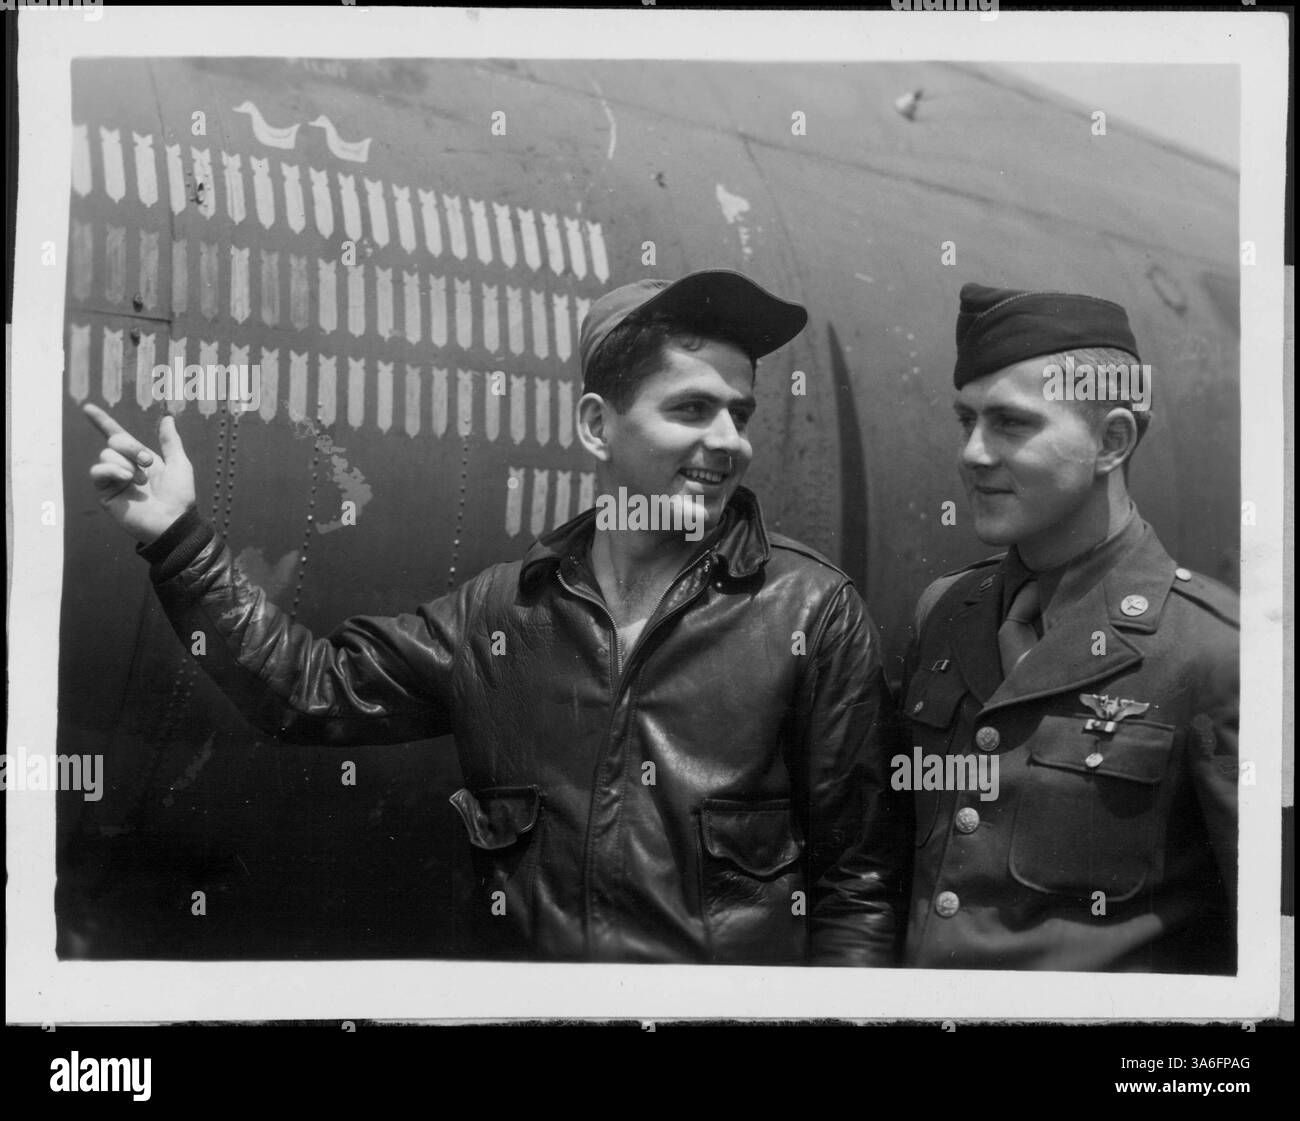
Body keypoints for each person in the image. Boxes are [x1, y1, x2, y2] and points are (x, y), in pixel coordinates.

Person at [84, 269, 907, 966]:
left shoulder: (811, 614)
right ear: (597, 426)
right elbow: (310, 690)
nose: (729, 441)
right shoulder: (503, 615)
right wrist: (179, 540)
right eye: (692, 410)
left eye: (741, 412)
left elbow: (858, 893)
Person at [899, 282, 1238, 972]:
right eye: (966, 420)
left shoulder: (1213, 653)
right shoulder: (946, 610)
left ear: (1111, 440)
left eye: (1011, 423)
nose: (971, 452)